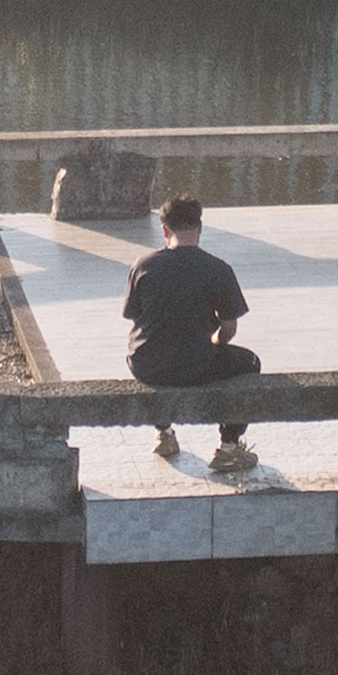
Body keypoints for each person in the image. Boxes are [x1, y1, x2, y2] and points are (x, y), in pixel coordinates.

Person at [122, 194, 256, 472]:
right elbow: (229, 328)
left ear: (164, 230)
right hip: (193, 364)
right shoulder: (218, 269)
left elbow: (136, 317)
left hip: (144, 363)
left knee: (159, 354)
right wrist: (215, 341)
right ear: (200, 228)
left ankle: (164, 434)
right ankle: (229, 447)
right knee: (249, 364)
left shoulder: (143, 266)